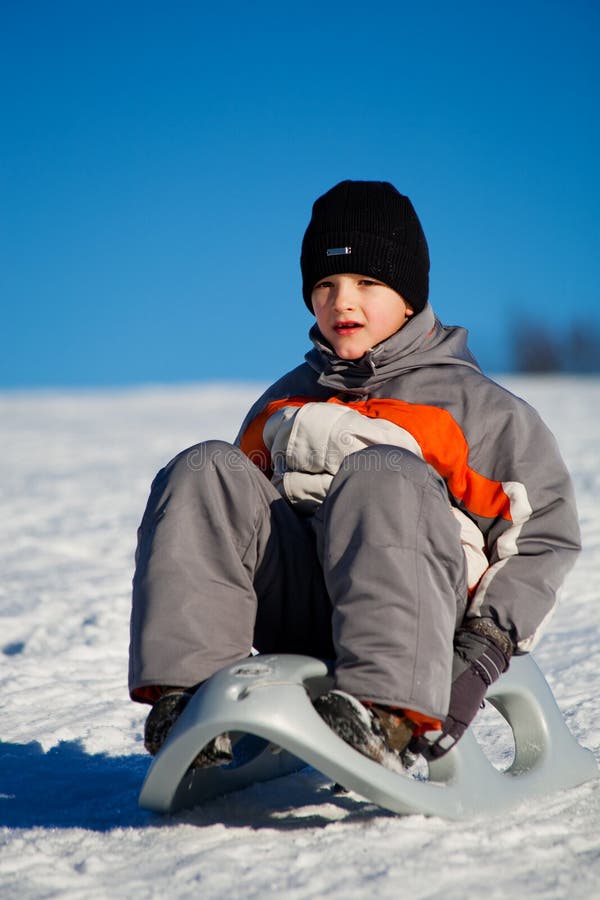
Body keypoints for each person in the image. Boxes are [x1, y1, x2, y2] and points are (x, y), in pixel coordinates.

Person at [129, 180, 581, 771]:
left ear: (410, 296)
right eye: (326, 285)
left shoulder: (476, 409)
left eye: (368, 283)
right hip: (305, 605)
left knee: (381, 471)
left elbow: (541, 535)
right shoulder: (286, 402)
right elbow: (231, 518)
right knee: (204, 468)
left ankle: (383, 710)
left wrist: (487, 644)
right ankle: (191, 701)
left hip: (420, 614)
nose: (343, 301)